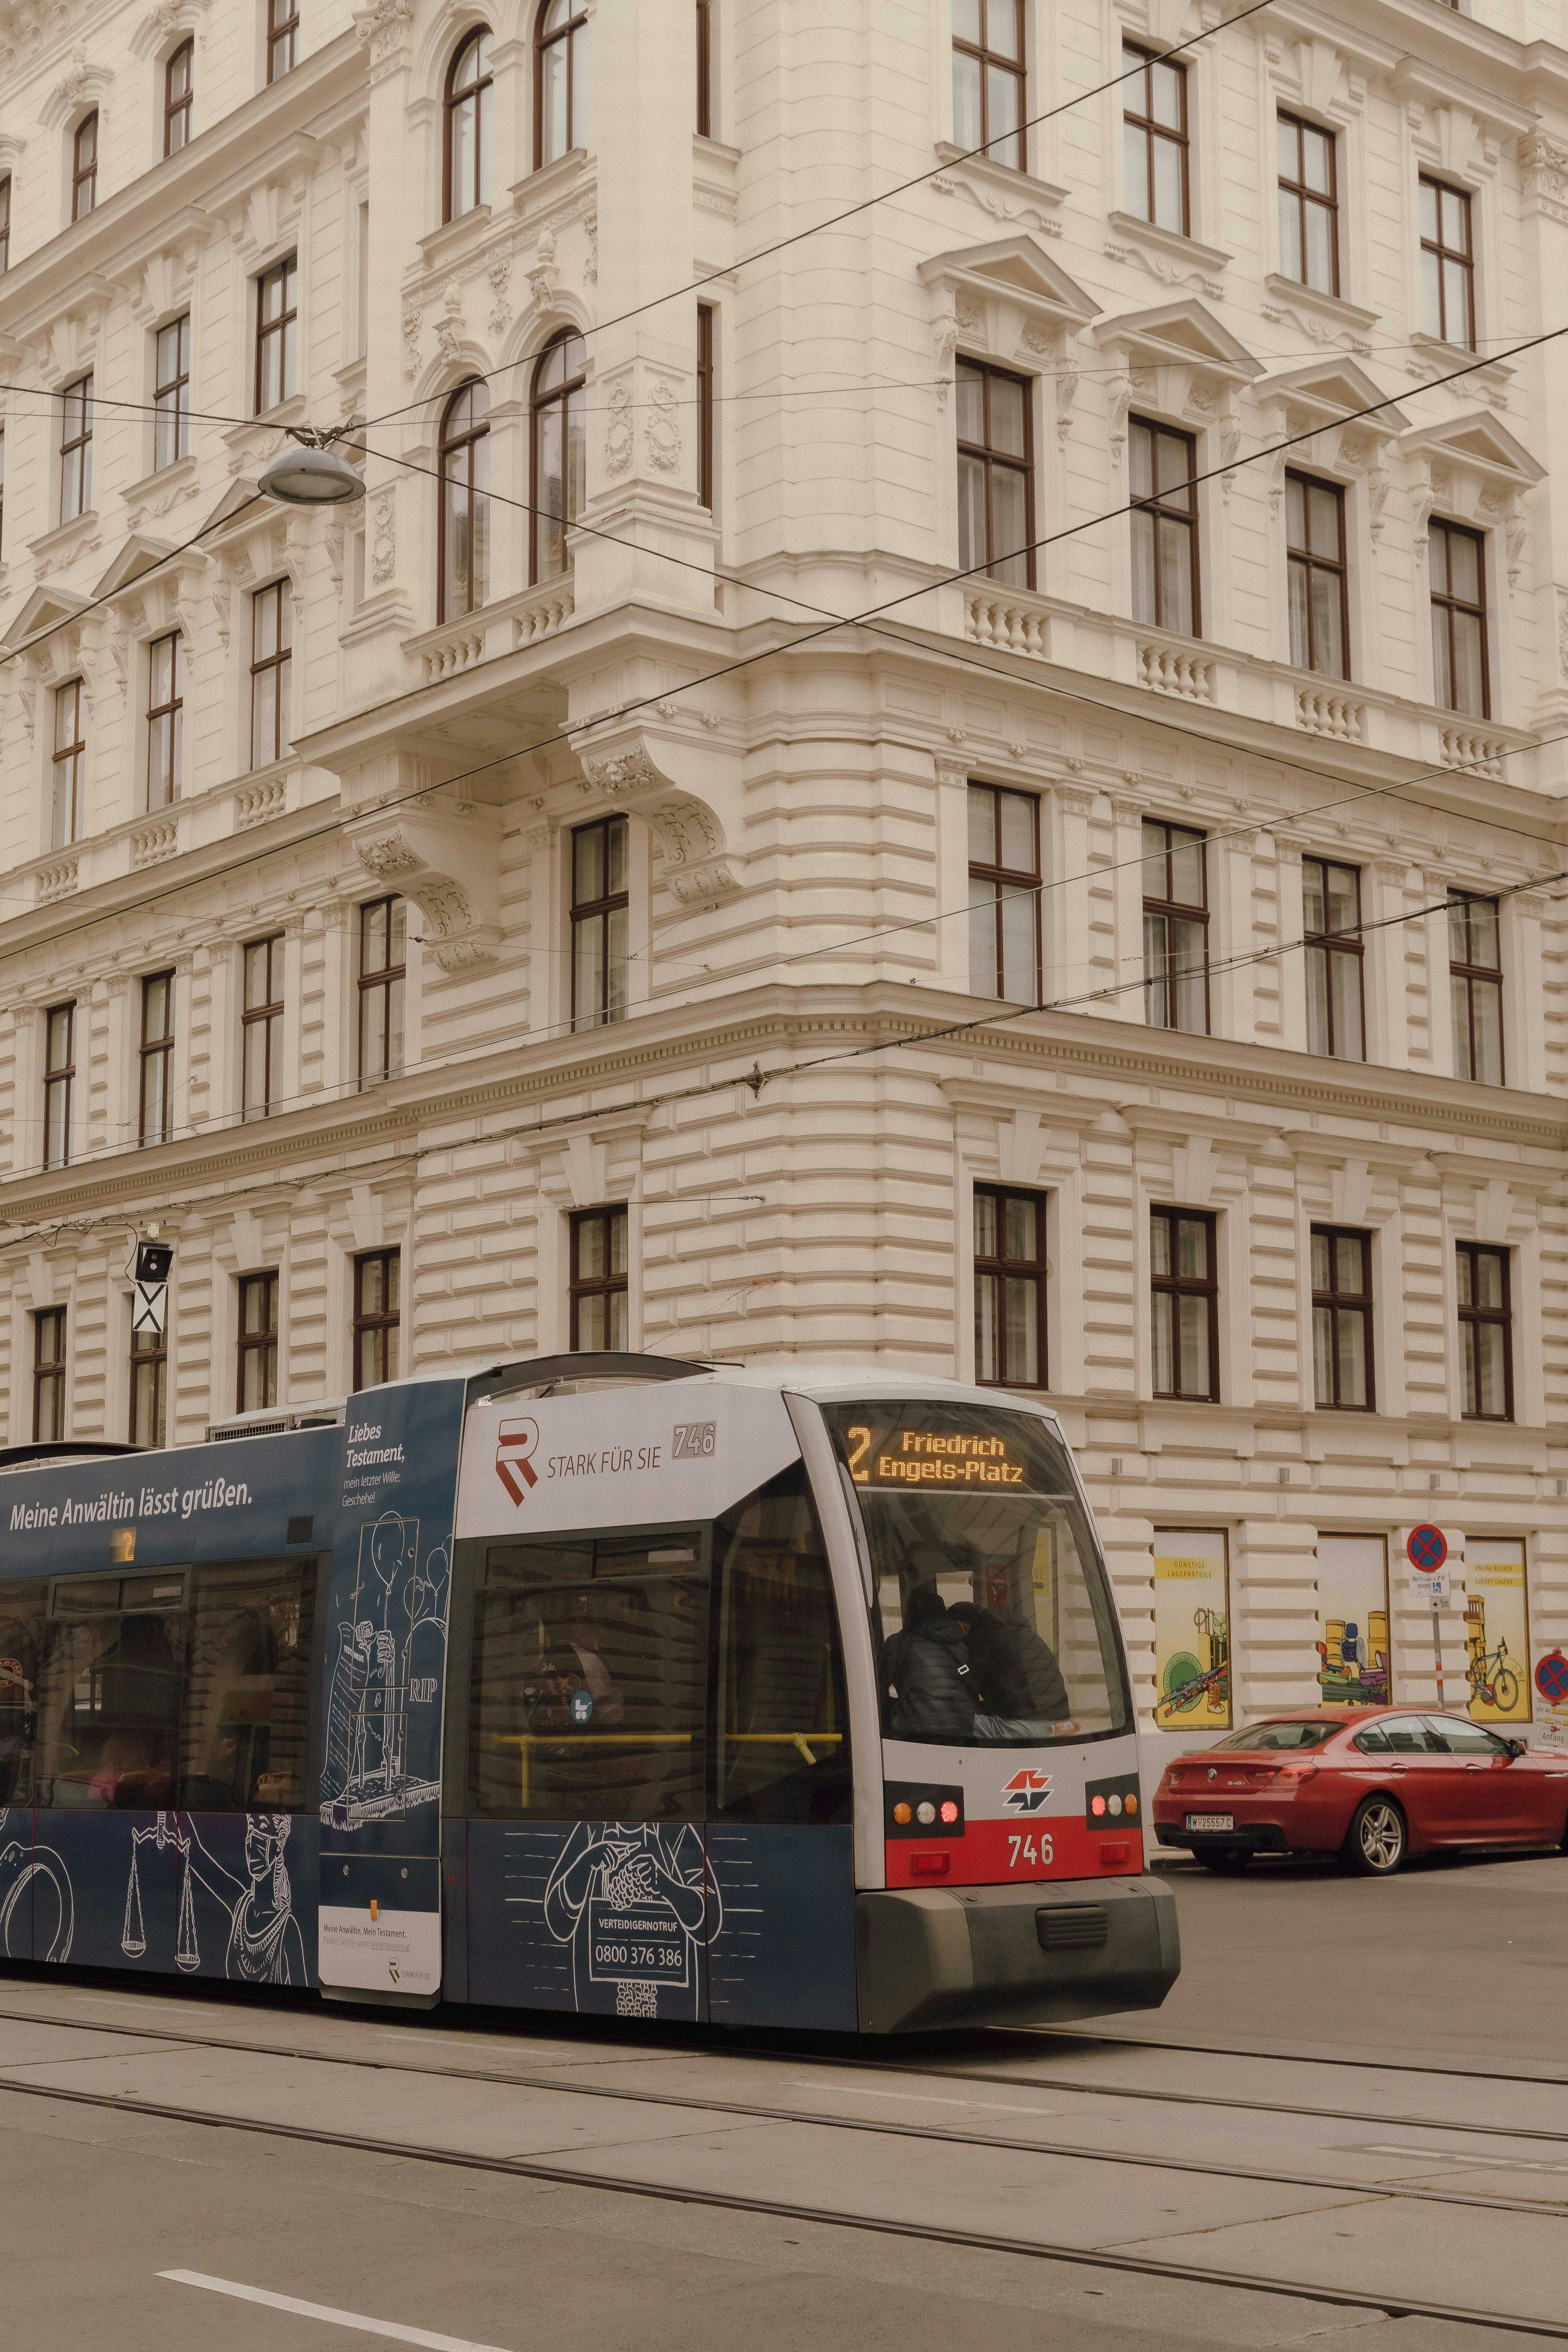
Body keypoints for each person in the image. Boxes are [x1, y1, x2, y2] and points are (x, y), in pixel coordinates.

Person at [949, 1599, 1070, 1732]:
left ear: (959, 1626)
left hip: (1026, 1723)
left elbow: (969, 1681)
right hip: (1060, 1714)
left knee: (957, 1720)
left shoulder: (979, 1640)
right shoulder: (1019, 1630)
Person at [878, 1582, 976, 1740]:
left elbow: (878, 1692)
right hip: (963, 1732)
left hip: (917, 1734)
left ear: (910, 1615)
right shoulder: (960, 1644)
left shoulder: (898, 1643)